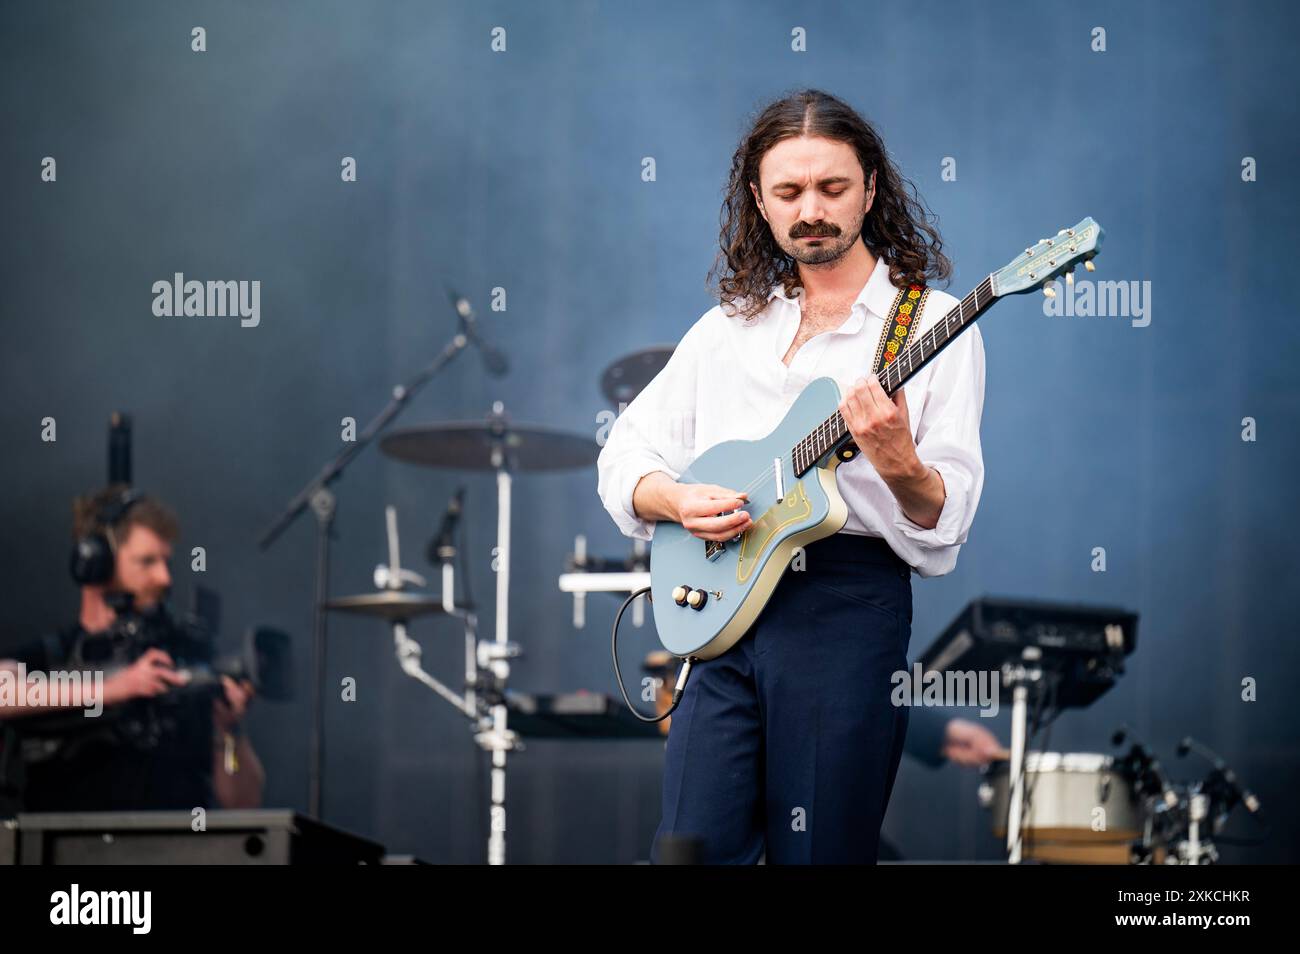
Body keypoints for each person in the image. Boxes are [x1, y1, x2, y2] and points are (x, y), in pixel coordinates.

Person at [597, 90, 986, 863]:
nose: (812, 209)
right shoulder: (727, 328)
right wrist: (674, 498)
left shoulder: (935, 325)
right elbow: (623, 457)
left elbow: (947, 524)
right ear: (759, 202)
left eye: (833, 188)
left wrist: (899, 460)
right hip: (723, 613)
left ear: (871, 189)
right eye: (789, 192)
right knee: (688, 849)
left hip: (843, 609)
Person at [0, 485, 264, 811]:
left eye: (166, 562)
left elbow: (243, 804)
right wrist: (112, 689)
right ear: (95, 562)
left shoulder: (177, 662)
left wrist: (231, 734)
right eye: (147, 561)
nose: (164, 577)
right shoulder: (57, 653)